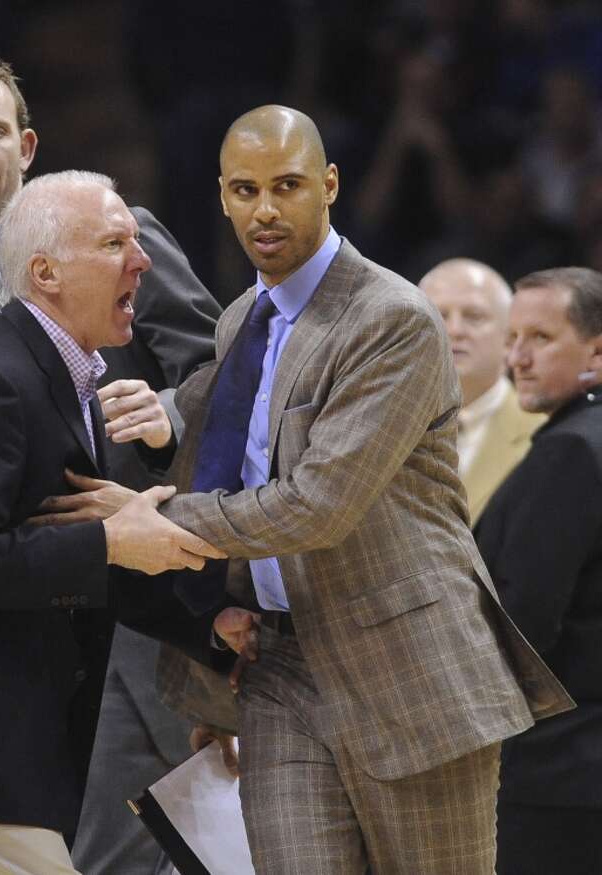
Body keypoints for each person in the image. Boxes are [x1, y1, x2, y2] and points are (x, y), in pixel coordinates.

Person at [148, 106, 571, 874]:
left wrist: (159, 524)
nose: (266, 209)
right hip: (278, 668)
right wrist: (215, 658)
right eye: (245, 190)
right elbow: (239, 480)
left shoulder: (394, 317)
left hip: (407, 671)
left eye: (287, 185)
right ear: (221, 196)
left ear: (330, 184)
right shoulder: (240, 318)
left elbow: (318, 504)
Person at [0, 48, 227, 874]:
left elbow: (223, 368)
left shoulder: (112, 228)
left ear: (28, 147)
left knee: (176, 849)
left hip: (135, 610)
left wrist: (166, 414)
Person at [474, 267, 602, 875]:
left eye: (541, 339)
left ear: (597, 350)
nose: (518, 358)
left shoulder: (573, 449)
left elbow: (524, 620)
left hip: (558, 773)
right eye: (513, 337)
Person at [418, 258, 545, 523]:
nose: (454, 330)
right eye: (439, 314)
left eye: (474, 317)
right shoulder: (379, 423)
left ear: (510, 339)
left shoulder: (544, 435)